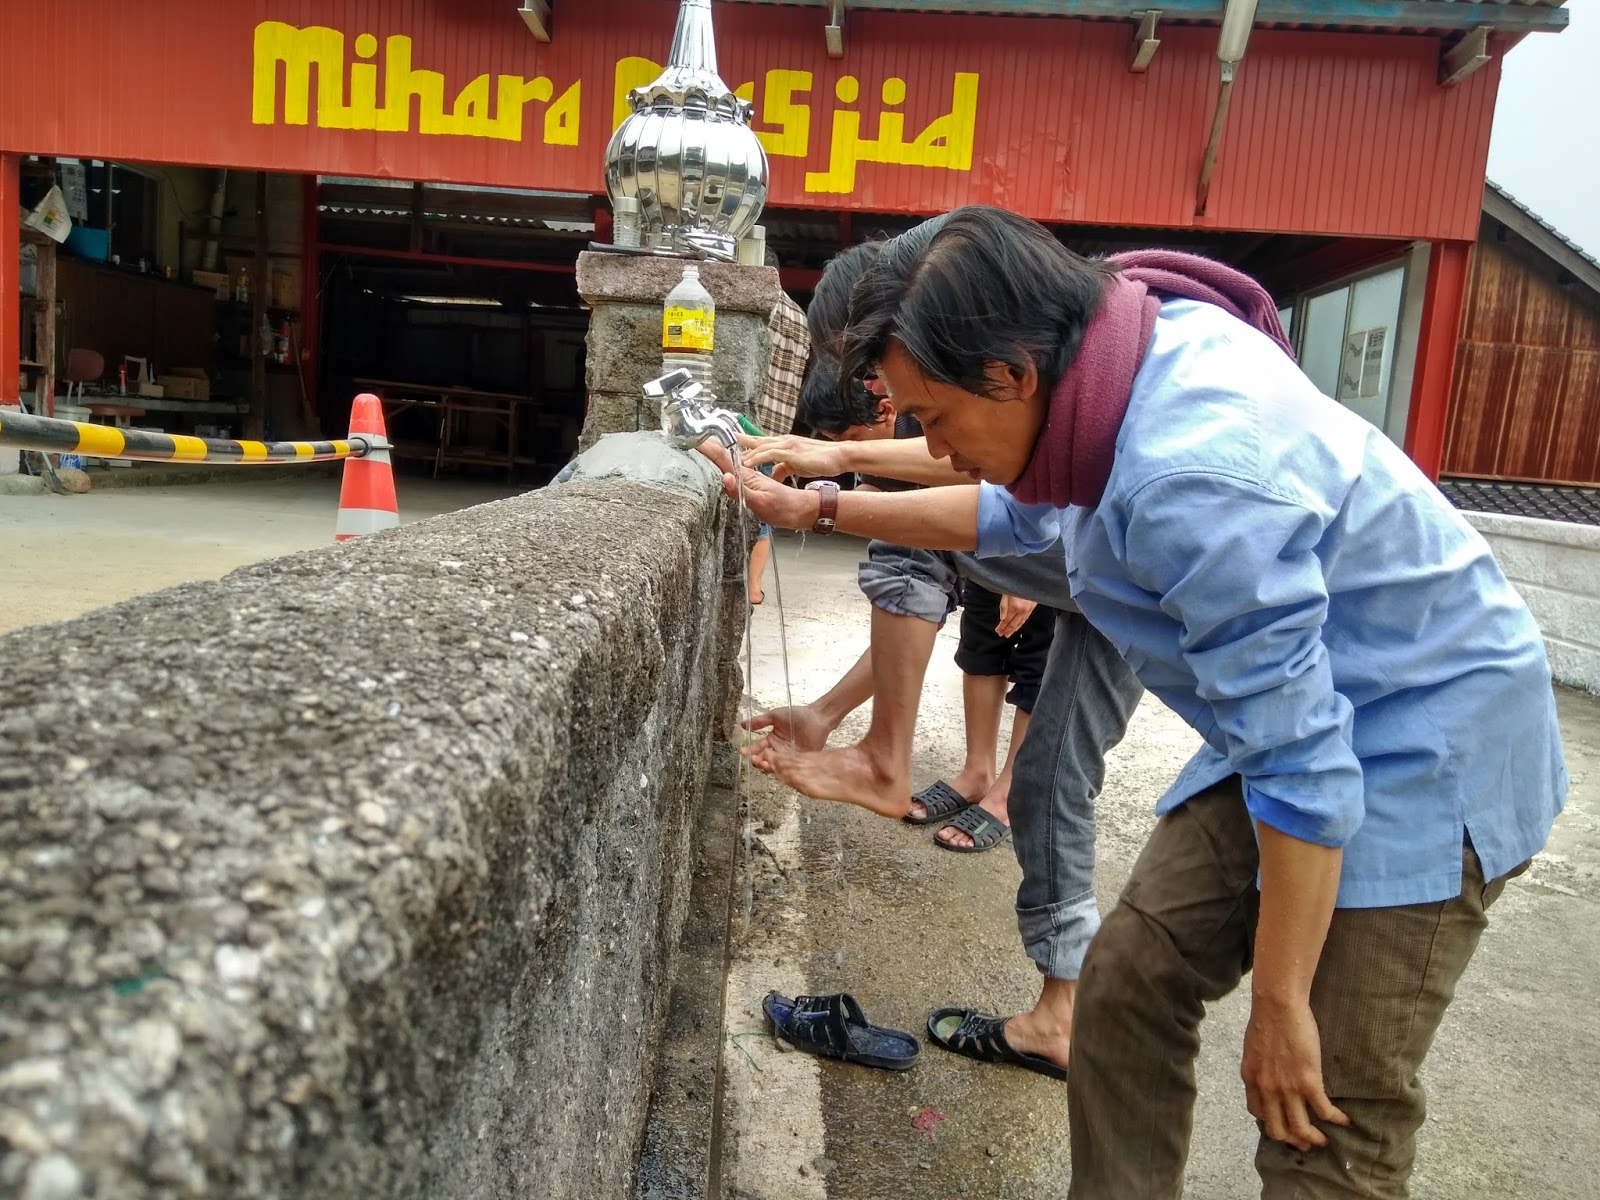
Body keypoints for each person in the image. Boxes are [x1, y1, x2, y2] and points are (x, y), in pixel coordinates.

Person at [713, 205, 1567, 1197]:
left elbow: (1302, 765)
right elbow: (1007, 516)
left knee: (1322, 1104)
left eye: (935, 420)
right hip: (1290, 718)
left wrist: (1280, 1002)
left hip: (1428, 733)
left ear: (1010, 372)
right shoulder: (1104, 361)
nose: (933, 450)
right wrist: (818, 503)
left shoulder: (1187, 474)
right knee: (1125, 987)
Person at [733, 239, 1144, 1073]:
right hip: (1109, 560)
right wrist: (838, 464)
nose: (879, 393)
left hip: (1120, 549)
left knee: (906, 533)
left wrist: (828, 494)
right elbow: (991, 499)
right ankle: (1062, 1013)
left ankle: (885, 759)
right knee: (1049, 779)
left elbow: (997, 503)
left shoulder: (1081, 391)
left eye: (876, 372)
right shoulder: (1032, 368)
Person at [795, 355, 1059, 852]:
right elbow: (905, 591)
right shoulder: (897, 434)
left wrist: (1028, 569)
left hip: (1036, 534)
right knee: (980, 647)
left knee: (1037, 664)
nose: (938, 446)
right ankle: (977, 771)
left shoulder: (953, 409)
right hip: (990, 540)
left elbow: (1013, 488)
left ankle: (1009, 790)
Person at [745, 287, 809, 604]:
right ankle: (755, 585)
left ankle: (748, 584)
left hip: (750, 430)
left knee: (752, 506)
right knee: (765, 510)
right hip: (779, 431)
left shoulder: (758, 305)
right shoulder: (799, 317)